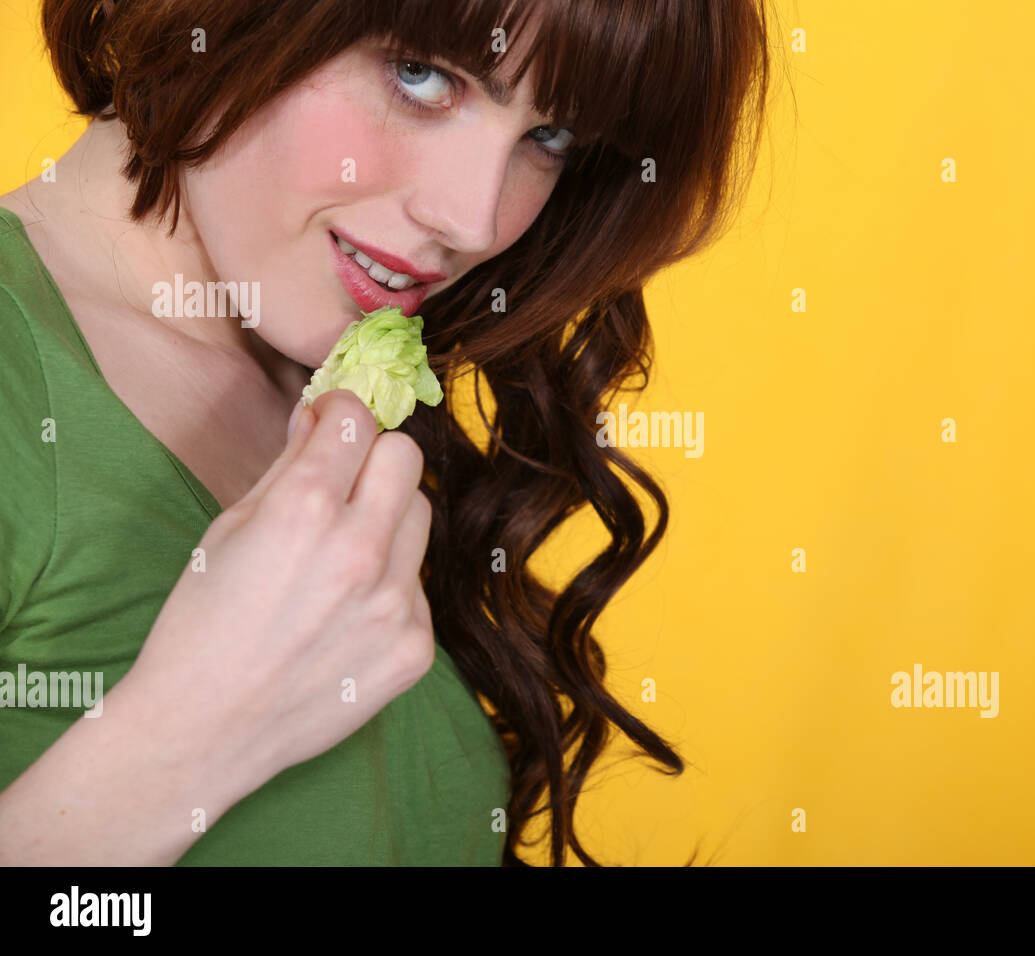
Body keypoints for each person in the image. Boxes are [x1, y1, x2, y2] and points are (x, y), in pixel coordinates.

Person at [0, 0, 772, 865]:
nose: (473, 220)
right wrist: (186, 738)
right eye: (420, 75)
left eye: (550, 135)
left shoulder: (355, 394)